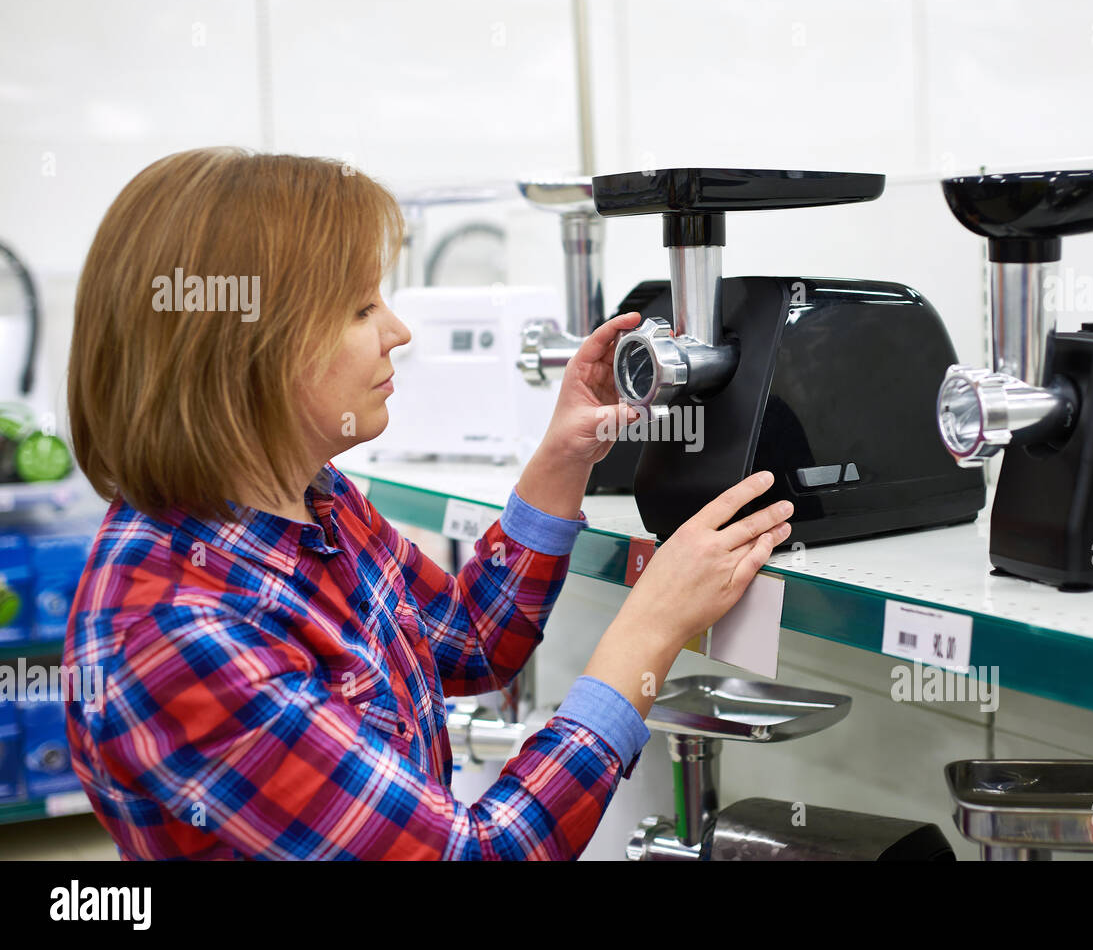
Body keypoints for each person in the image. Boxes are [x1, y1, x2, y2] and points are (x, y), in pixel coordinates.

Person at [62, 147, 793, 859]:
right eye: (358, 308)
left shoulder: (307, 500)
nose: (398, 333)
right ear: (243, 349)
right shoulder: (179, 639)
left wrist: (561, 460)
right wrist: (651, 627)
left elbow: (471, 640)